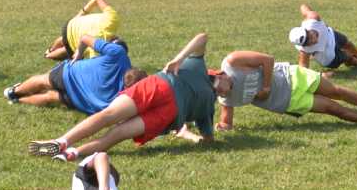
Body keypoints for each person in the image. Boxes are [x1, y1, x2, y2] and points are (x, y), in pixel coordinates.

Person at [28, 32, 217, 160]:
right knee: (108, 115)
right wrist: (179, 59)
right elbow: (202, 37)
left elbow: (208, 141)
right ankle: (61, 142)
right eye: (228, 81)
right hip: (161, 86)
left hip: (169, 115)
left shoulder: (210, 108)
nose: (227, 89)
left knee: (118, 135)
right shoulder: (197, 66)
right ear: (219, 74)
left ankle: (71, 153)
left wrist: (187, 135)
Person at [213, 49, 357, 128]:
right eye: (215, 93)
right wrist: (222, 127)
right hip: (288, 101)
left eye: (217, 87)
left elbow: (267, 59)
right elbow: (226, 123)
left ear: (220, 75)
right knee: (334, 109)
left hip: (293, 76)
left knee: (337, 92)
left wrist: (266, 86)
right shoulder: (225, 99)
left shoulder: (233, 61)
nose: (219, 93)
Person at [6, 36, 140, 112]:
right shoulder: (129, 74)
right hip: (83, 101)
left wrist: (79, 53)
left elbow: (85, 38)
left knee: (43, 80)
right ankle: (18, 101)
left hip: (70, 75)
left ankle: (13, 92)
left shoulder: (116, 51)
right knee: (51, 97)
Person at [289, 3, 357, 71]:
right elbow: (303, 69)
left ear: (307, 30)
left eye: (309, 38)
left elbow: (303, 7)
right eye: (307, 44)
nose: (312, 42)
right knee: (349, 57)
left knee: (348, 44)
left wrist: (305, 8)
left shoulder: (313, 19)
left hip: (331, 36)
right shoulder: (304, 51)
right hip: (329, 57)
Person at [44, 0, 121, 62]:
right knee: (66, 50)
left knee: (64, 38)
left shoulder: (113, 19)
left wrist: (80, 14)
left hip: (71, 24)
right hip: (74, 40)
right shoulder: (99, 43)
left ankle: (50, 50)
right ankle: (48, 55)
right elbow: (93, 62)